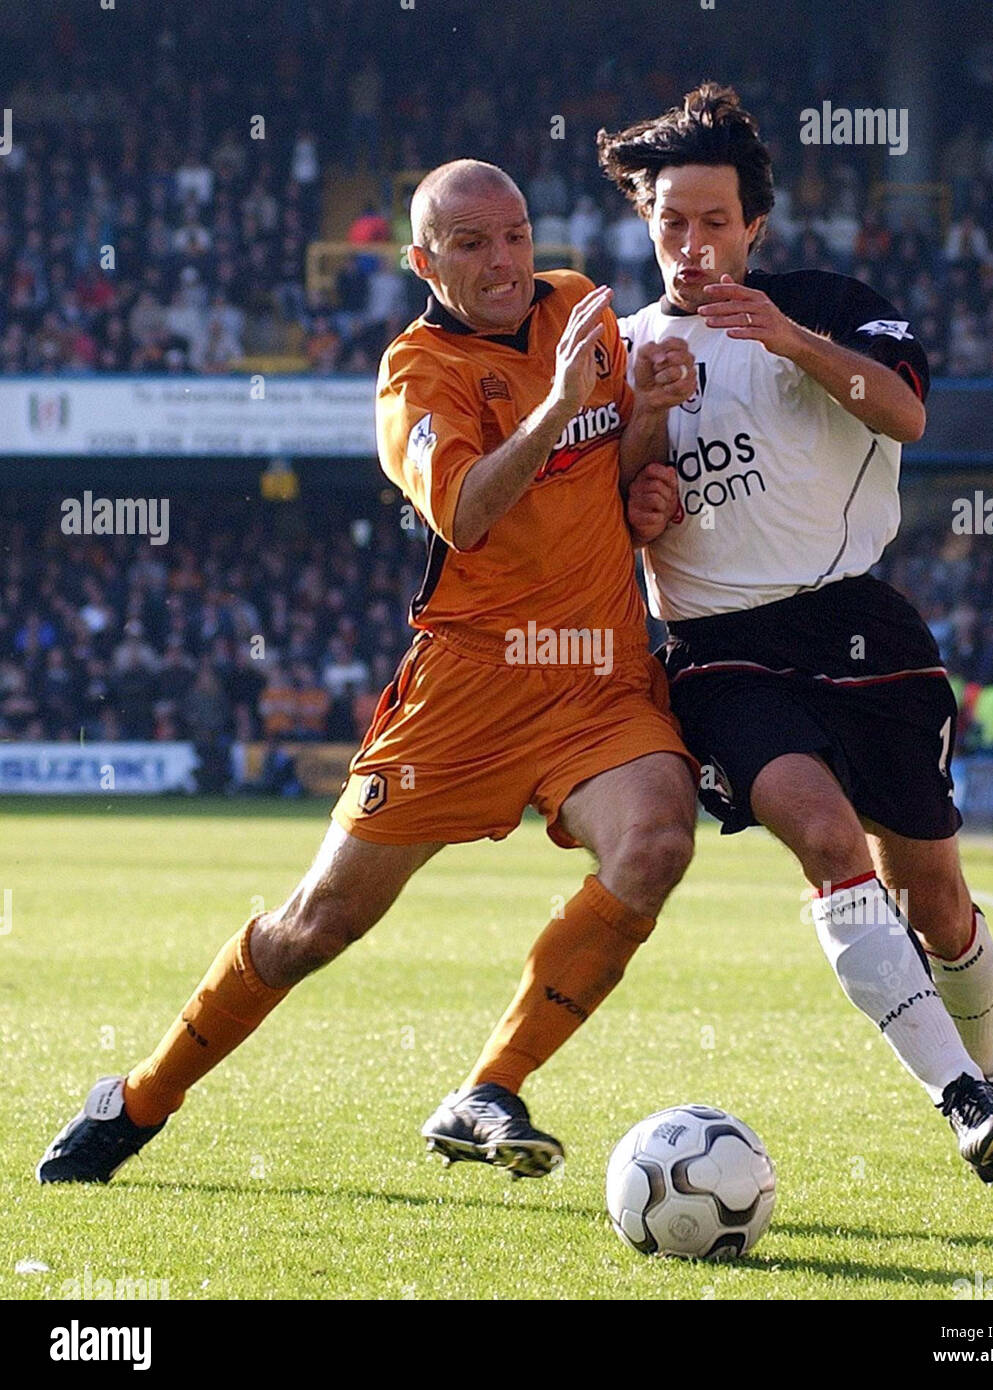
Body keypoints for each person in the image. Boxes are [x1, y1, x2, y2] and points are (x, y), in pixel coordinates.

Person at [38, 158, 698, 1186]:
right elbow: (467, 511)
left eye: (514, 234)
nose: (501, 261)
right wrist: (566, 398)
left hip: (593, 679)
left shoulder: (580, 309)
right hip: (466, 690)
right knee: (316, 925)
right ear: (421, 260)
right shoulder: (414, 373)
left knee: (656, 839)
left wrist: (645, 422)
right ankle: (138, 1099)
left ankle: (491, 1084)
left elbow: (605, 478)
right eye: (470, 244)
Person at [602, 84, 993, 1182]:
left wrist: (786, 337)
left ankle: (986, 1069)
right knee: (823, 839)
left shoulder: (830, 303)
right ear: (645, 227)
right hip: (719, 650)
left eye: (712, 223)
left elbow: (902, 412)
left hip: (856, 626)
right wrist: (643, 430)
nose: (692, 248)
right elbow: (605, 504)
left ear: (753, 225)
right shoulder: (616, 347)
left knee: (932, 895)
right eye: (670, 225)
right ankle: (957, 1096)